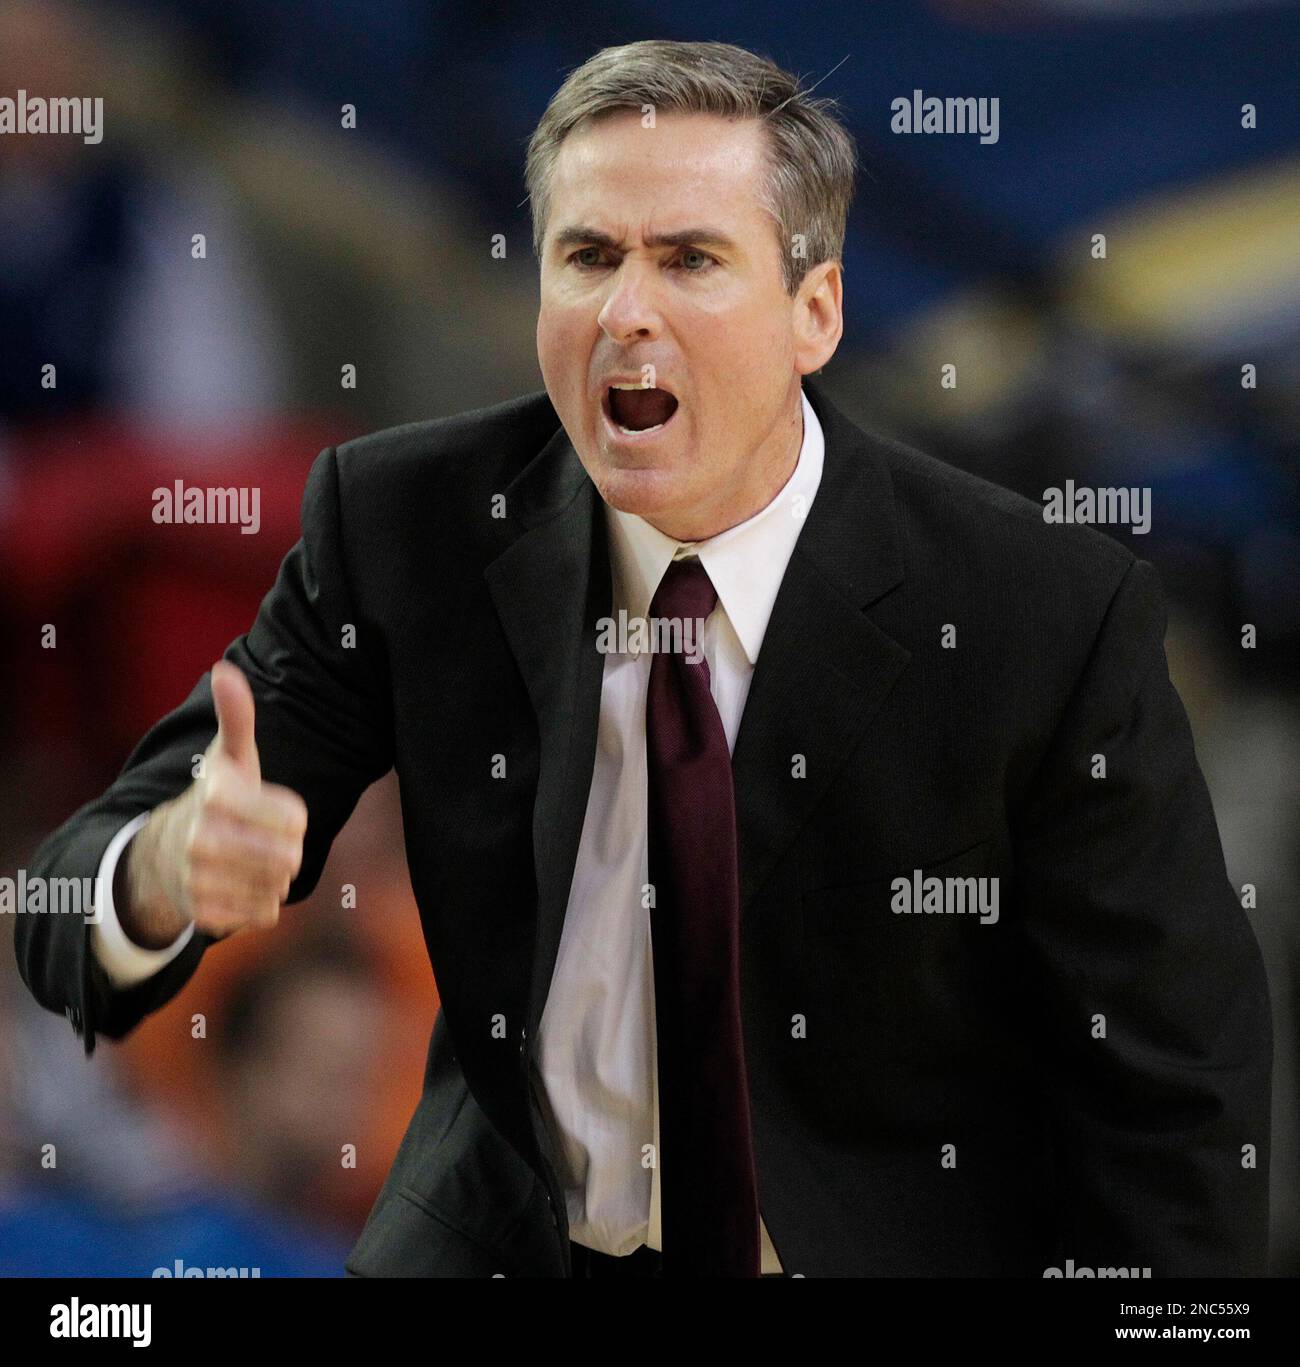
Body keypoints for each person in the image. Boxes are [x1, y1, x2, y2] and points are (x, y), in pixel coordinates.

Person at [14, 39, 1271, 1278]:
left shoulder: (1034, 606)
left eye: (689, 260)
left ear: (814, 311)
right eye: (589, 257)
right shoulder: (406, 525)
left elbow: (1174, 1078)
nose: (627, 312)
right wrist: (165, 864)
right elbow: (60, 903)